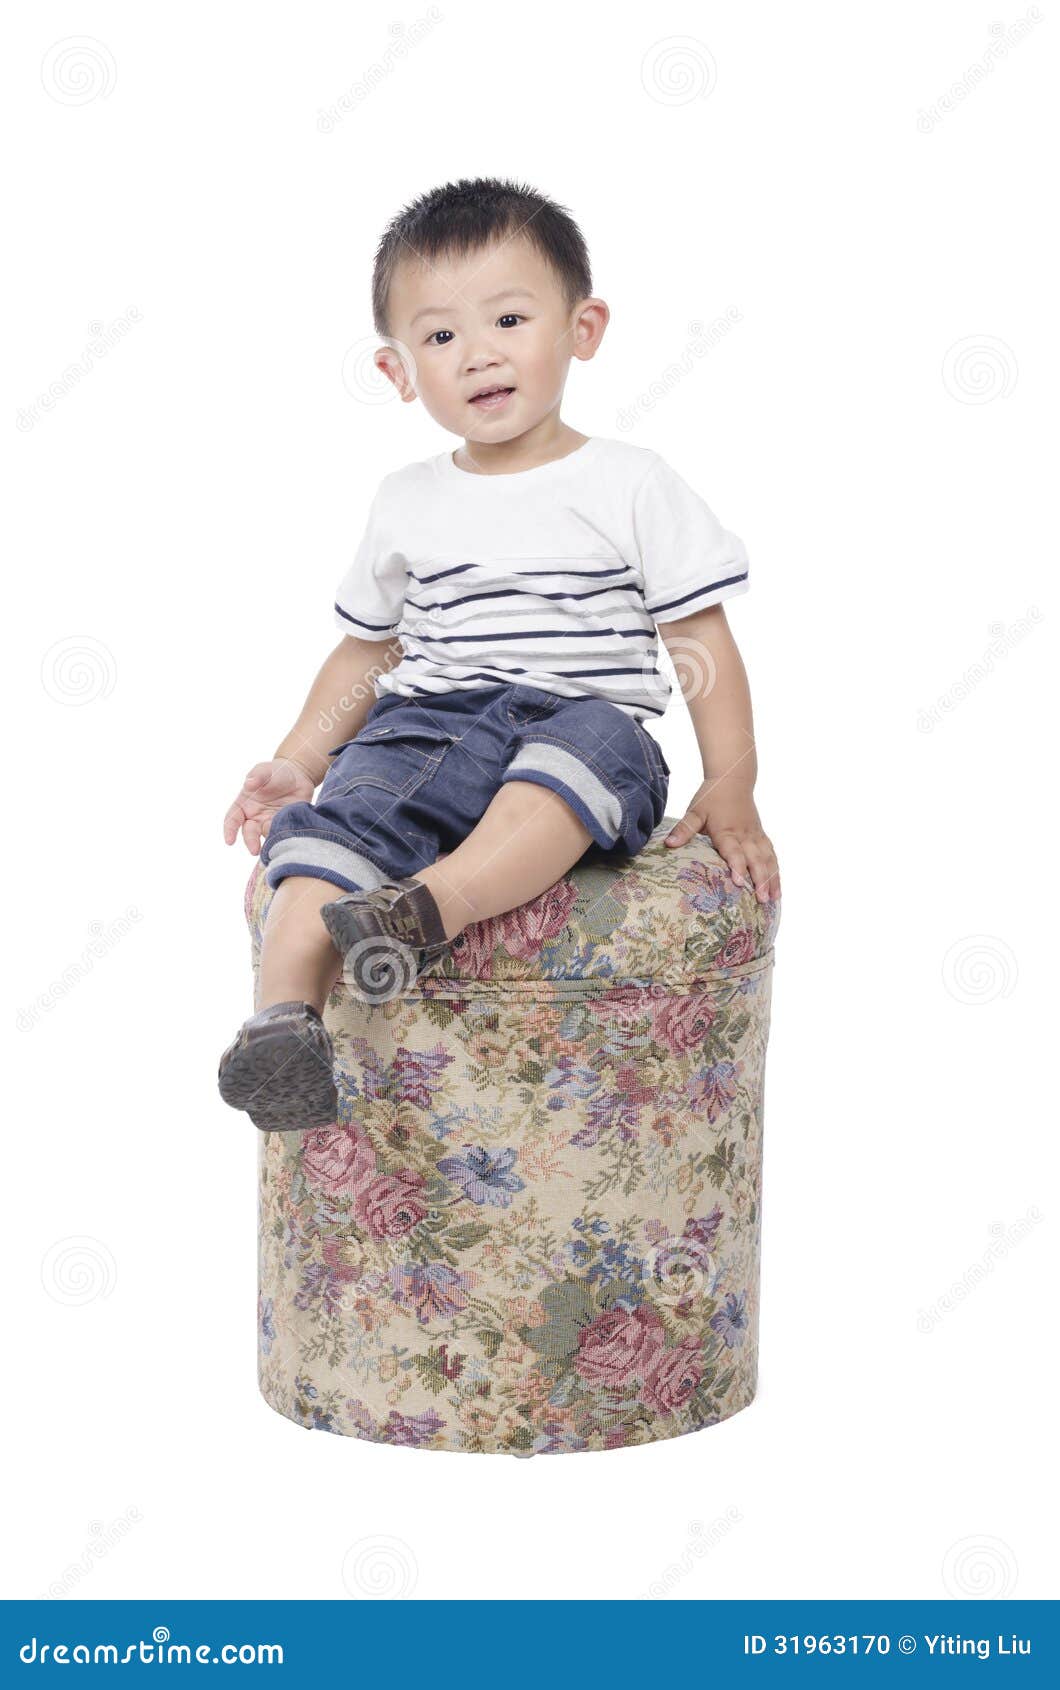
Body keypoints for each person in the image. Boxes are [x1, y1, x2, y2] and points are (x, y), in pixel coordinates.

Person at [219, 176, 781, 1132]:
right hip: (424, 724)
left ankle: (431, 907)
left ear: (582, 327)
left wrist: (732, 784)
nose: (477, 354)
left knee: (567, 774)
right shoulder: (405, 497)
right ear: (399, 372)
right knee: (326, 835)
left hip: (579, 717)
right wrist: (299, 760)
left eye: (509, 319)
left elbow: (699, 643)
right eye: (439, 337)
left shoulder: (630, 481)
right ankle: (282, 1027)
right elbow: (367, 649)